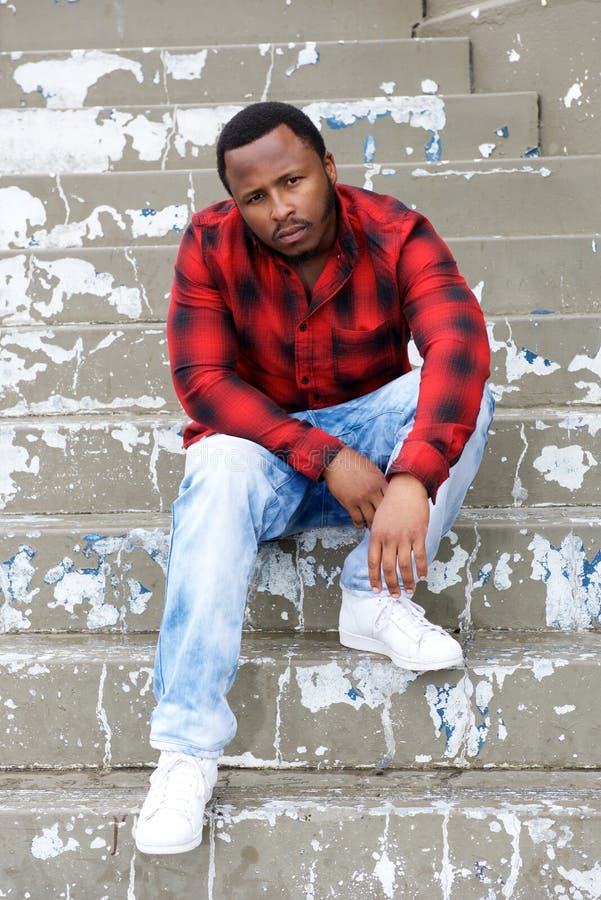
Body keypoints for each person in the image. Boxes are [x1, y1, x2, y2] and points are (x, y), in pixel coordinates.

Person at [134, 101, 494, 855]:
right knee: (216, 456)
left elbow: (456, 340)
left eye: (292, 182)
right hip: (266, 455)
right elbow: (202, 380)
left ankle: (373, 598)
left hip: (372, 438)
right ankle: (186, 750)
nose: (279, 209)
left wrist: (412, 479)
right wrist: (323, 455)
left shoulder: (396, 231)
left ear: (328, 169)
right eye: (254, 197)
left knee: (464, 390)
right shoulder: (209, 243)